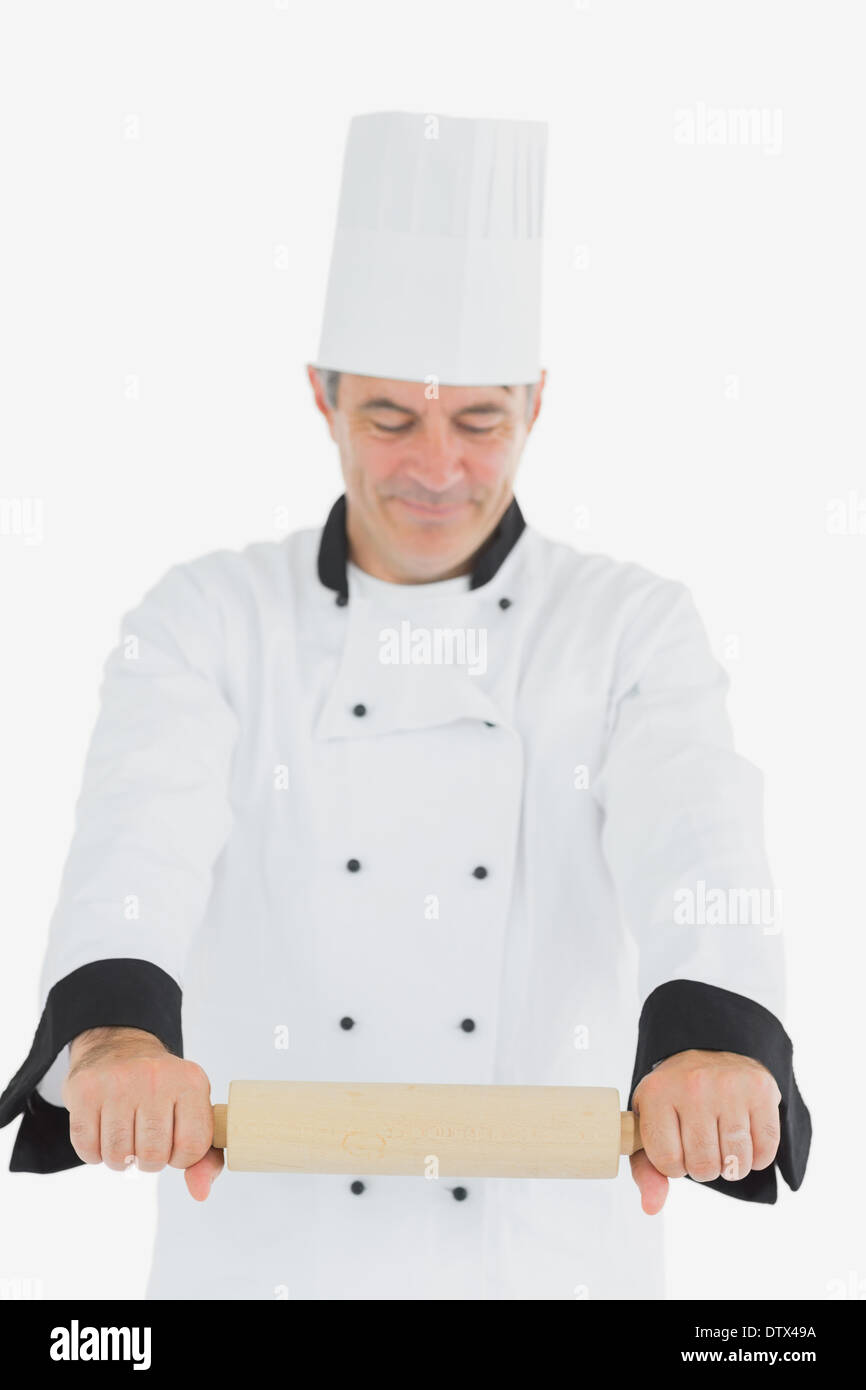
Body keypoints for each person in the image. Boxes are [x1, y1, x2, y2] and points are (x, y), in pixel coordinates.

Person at [0, 111, 810, 1300]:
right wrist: (118, 1030)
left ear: (536, 402)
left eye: (478, 420)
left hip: (548, 1266)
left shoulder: (630, 624)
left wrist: (711, 1032)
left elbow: (692, 826)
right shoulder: (208, 616)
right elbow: (141, 829)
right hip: (262, 1266)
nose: (435, 466)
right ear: (319, 396)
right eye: (390, 417)